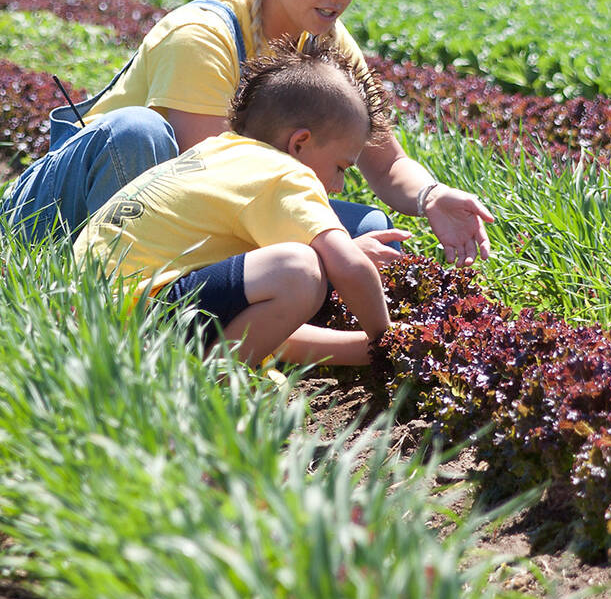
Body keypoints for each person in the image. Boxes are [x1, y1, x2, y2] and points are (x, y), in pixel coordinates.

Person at [0, 0, 494, 267]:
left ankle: (215, 304)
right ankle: (118, 297)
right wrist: (323, 248)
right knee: (138, 132)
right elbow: (210, 187)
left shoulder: (330, 47)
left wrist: (432, 195)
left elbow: (385, 165)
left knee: (366, 230)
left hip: (192, 216)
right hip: (63, 212)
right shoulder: (202, 34)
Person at [74, 42, 392, 366]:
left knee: (298, 274)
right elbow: (347, 268)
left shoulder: (217, 152)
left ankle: (198, 377)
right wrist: (390, 340)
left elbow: (263, 330)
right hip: (136, 317)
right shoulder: (284, 173)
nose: (338, 186)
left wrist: (368, 352)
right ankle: (202, 388)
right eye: (340, 167)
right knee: (301, 268)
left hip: (94, 319)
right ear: (299, 143)